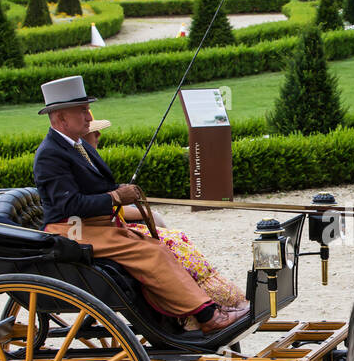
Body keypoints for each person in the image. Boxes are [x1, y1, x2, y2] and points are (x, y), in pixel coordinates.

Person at [33, 76, 249, 334]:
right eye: (82, 110)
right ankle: (208, 316)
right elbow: (69, 204)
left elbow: (94, 187)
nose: (89, 117)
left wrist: (122, 192)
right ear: (60, 117)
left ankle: (197, 311)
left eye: (87, 109)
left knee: (159, 245)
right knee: (151, 253)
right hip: (72, 230)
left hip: (95, 224)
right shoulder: (50, 154)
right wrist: (115, 198)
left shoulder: (78, 145)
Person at [86, 118, 248, 330]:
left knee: (176, 238)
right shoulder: (74, 158)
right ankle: (198, 312)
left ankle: (215, 300)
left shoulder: (88, 158)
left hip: (111, 224)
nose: (98, 135)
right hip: (99, 231)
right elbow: (88, 204)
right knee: (164, 246)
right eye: (93, 131)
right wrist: (117, 196)